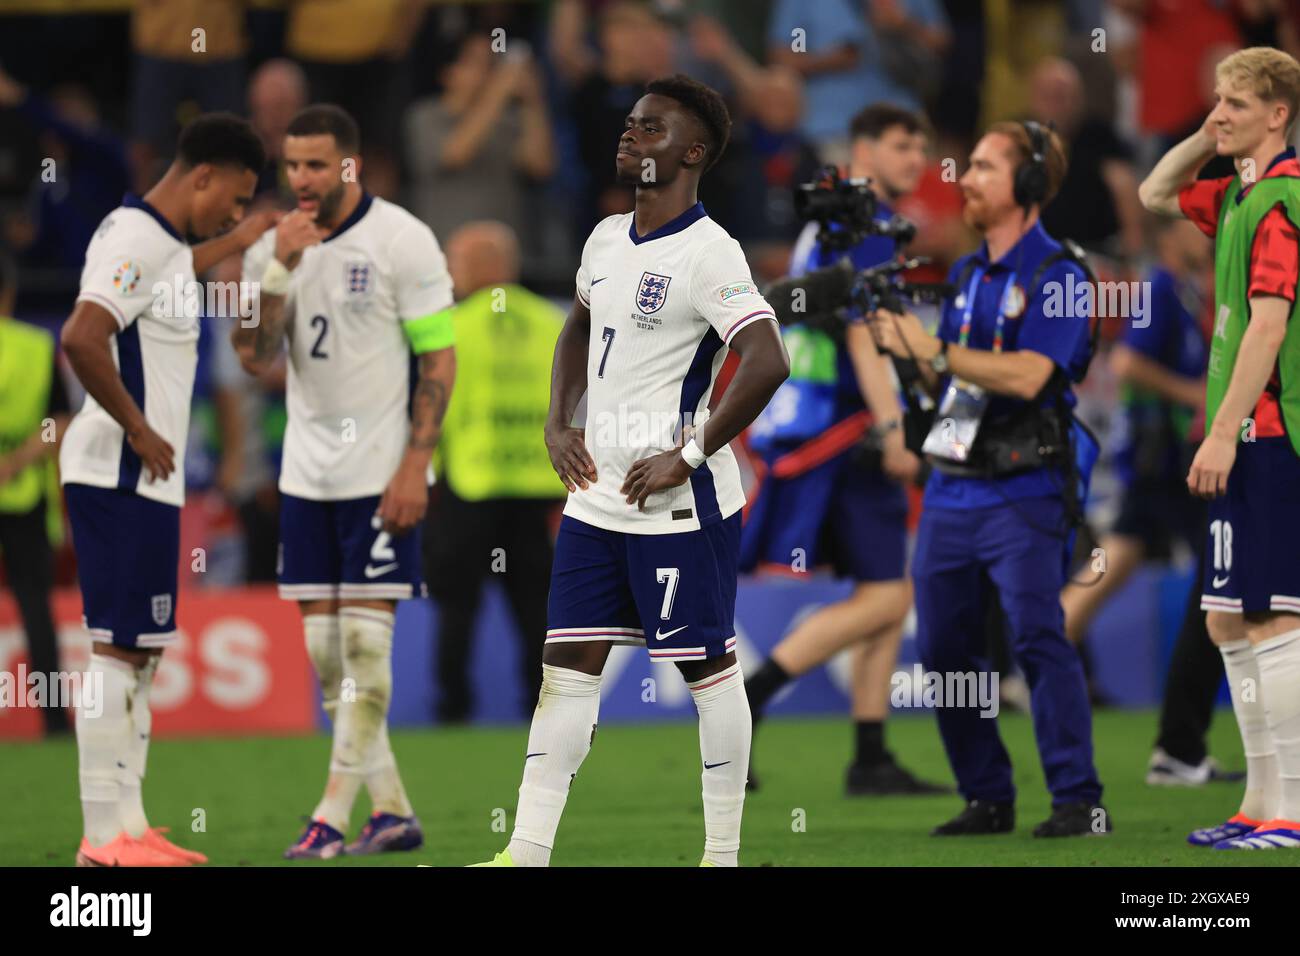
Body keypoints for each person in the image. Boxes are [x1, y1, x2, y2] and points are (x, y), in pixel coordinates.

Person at [474, 74, 789, 867]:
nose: (628, 136)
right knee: (566, 673)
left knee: (708, 672)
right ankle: (526, 852)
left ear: (691, 153)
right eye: (627, 125)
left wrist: (689, 453)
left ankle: (721, 857)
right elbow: (578, 325)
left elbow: (766, 359)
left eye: (649, 129)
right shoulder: (606, 237)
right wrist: (558, 418)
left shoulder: (710, 252)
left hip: (681, 506)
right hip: (598, 501)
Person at [871, 119, 1109, 837]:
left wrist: (933, 350)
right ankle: (987, 795)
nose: (964, 178)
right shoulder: (970, 273)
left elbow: (1032, 374)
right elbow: (959, 378)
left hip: (1024, 484)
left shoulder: (1062, 276)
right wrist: (906, 355)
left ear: (1030, 185)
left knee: (1037, 634)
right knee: (944, 649)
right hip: (954, 484)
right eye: (967, 163)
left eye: (983, 167)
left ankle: (1079, 798)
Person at [233, 104, 456, 859]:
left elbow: (438, 361)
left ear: (350, 167)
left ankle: (328, 815)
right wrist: (276, 270)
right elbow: (253, 358)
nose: (300, 179)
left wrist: (414, 466)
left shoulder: (402, 239)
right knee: (330, 657)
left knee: (363, 647)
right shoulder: (273, 246)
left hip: (380, 475)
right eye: (291, 165)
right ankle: (390, 810)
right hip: (306, 476)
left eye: (316, 165)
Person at [59, 112, 266, 866]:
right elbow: (81, 335)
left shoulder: (166, 248)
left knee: (141, 653)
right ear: (202, 175)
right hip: (119, 469)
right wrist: (140, 430)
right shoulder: (136, 238)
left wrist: (236, 243)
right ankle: (100, 838)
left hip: (147, 479)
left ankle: (131, 827)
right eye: (235, 202)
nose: (235, 215)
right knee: (115, 652)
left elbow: (174, 275)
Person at [740, 103, 945, 796]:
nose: (916, 155)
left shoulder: (827, 220)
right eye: (899, 143)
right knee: (889, 595)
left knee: (881, 588)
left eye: (920, 143)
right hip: (848, 430)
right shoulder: (863, 226)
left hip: (813, 425)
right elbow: (863, 331)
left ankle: (870, 754)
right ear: (862, 148)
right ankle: (747, 705)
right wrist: (892, 429)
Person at [1138, 45, 1300, 851]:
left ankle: (1292, 811)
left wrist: (1225, 433)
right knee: (1228, 622)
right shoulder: (1239, 193)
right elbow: (1153, 190)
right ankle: (1259, 804)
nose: (1221, 113)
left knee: (1272, 619)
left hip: (1269, 432)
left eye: (1237, 104)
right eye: (1216, 101)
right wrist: (1209, 137)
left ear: (1279, 114)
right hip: (1243, 431)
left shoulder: (1281, 203)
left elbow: (1267, 326)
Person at [425, 221, 566, 722]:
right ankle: (543, 705)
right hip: (536, 486)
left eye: (456, 262)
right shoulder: (554, 321)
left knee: (458, 603)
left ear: (484, 266)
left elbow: (433, 408)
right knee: (534, 605)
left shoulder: (451, 325)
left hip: (470, 484)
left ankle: (453, 708)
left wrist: (427, 473)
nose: (450, 272)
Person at [0, 254, 70, 736]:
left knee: (36, 605)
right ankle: (54, 721)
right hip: (23, 491)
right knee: (35, 606)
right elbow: (58, 422)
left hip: (18, 489)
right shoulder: (36, 346)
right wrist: (16, 461)